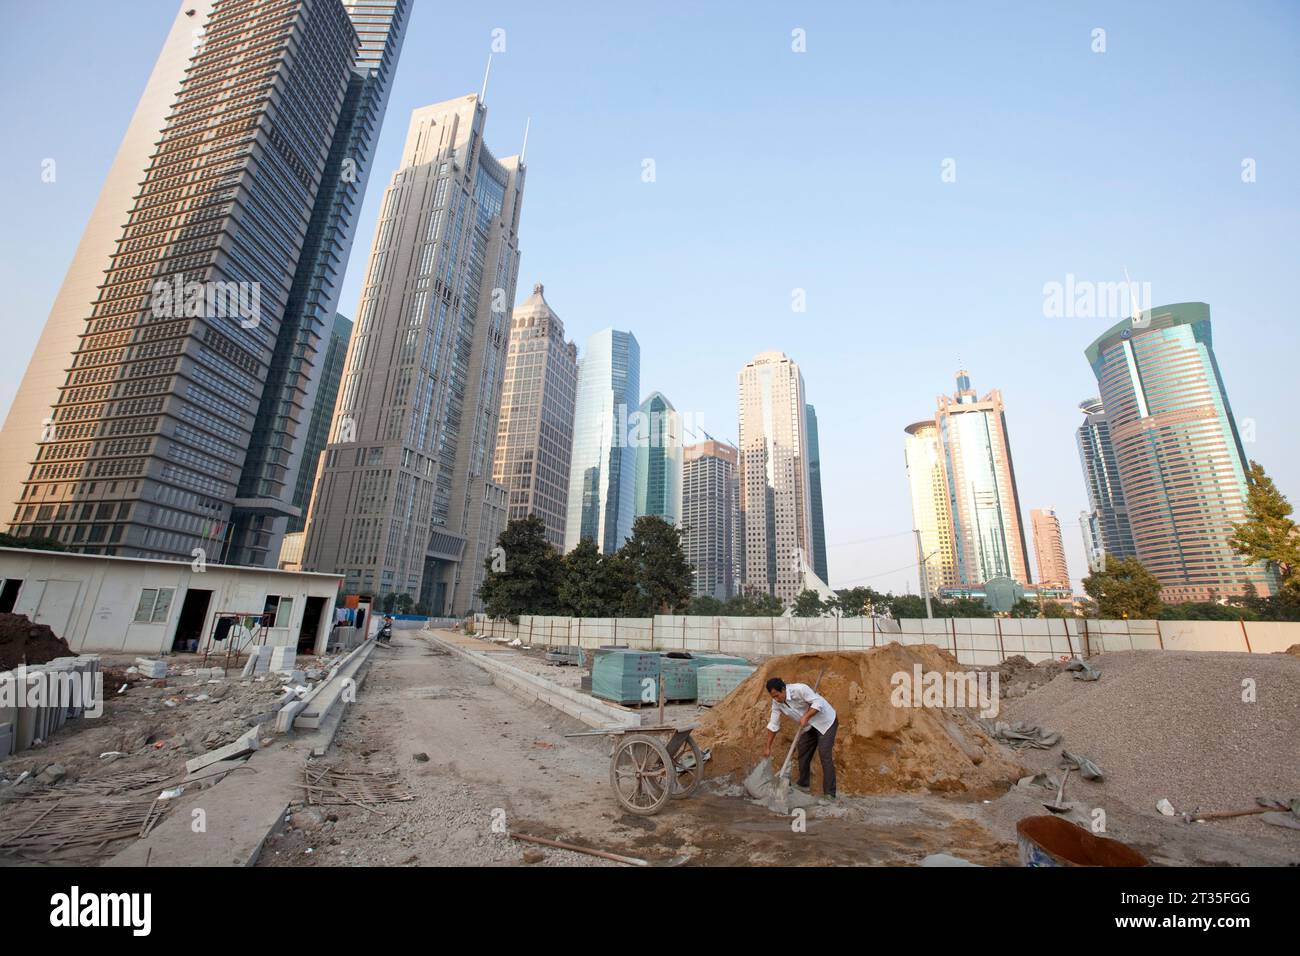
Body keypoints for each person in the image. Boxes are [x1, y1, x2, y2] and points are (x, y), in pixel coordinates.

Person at [763, 676, 838, 801]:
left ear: (783, 689)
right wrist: (767, 747)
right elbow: (773, 724)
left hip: (826, 722)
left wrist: (807, 716)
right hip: (809, 726)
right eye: (773, 697)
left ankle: (830, 794)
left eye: (777, 695)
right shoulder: (776, 703)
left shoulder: (800, 689)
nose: (776, 699)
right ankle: (804, 784)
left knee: (824, 754)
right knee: (803, 750)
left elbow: (818, 703)